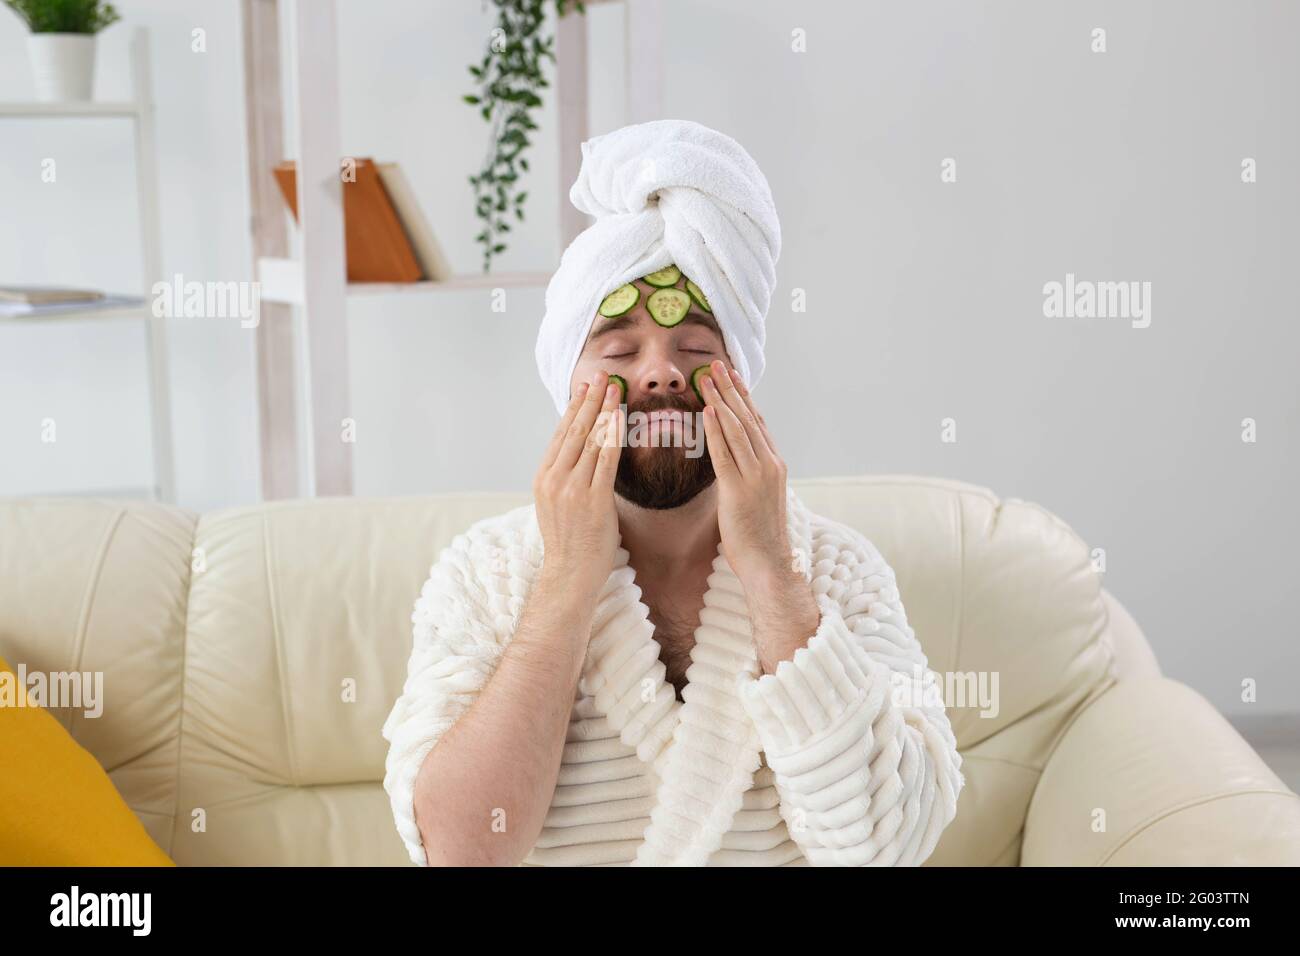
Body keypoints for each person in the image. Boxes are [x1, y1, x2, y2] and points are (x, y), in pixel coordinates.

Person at [381, 119, 964, 866]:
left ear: (744, 382)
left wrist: (770, 570)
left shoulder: (837, 571)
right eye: (619, 349)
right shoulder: (486, 573)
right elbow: (462, 850)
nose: (660, 375)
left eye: (697, 348)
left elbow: (888, 845)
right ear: (568, 388)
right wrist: (566, 582)